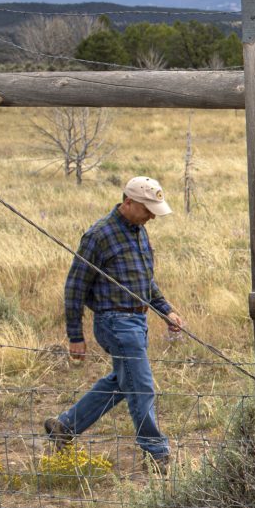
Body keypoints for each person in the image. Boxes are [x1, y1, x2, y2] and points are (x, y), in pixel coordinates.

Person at [45, 176, 183, 472]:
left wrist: (165, 310)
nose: (151, 217)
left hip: (138, 320)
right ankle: (156, 452)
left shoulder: (139, 231)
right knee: (142, 385)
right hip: (114, 321)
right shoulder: (98, 235)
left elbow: (144, 280)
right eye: (147, 209)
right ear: (128, 202)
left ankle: (65, 427)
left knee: (125, 381)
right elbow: (74, 288)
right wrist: (75, 336)